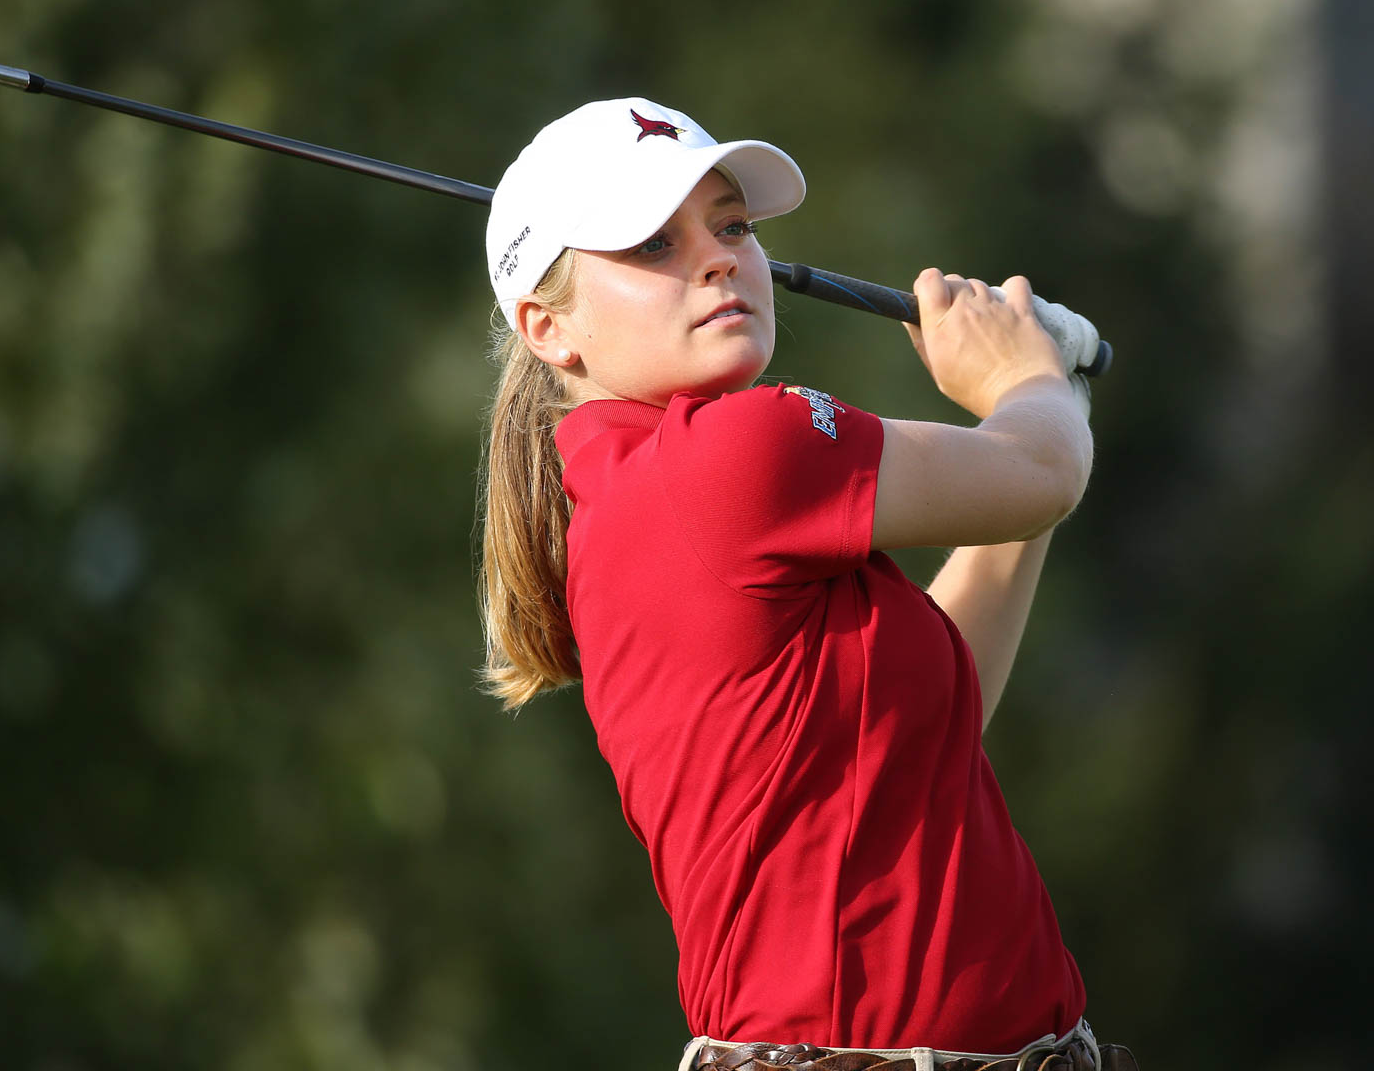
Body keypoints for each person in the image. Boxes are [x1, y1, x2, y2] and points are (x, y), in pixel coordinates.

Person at [475, 98, 1135, 1071]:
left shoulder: (643, 501)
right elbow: (1042, 469)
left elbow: (921, 734)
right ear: (548, 329)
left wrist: (1043, 401)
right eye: (653, 245)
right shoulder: (729, 461)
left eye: (731, 225)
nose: (718, 257)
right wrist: (1021, 378)